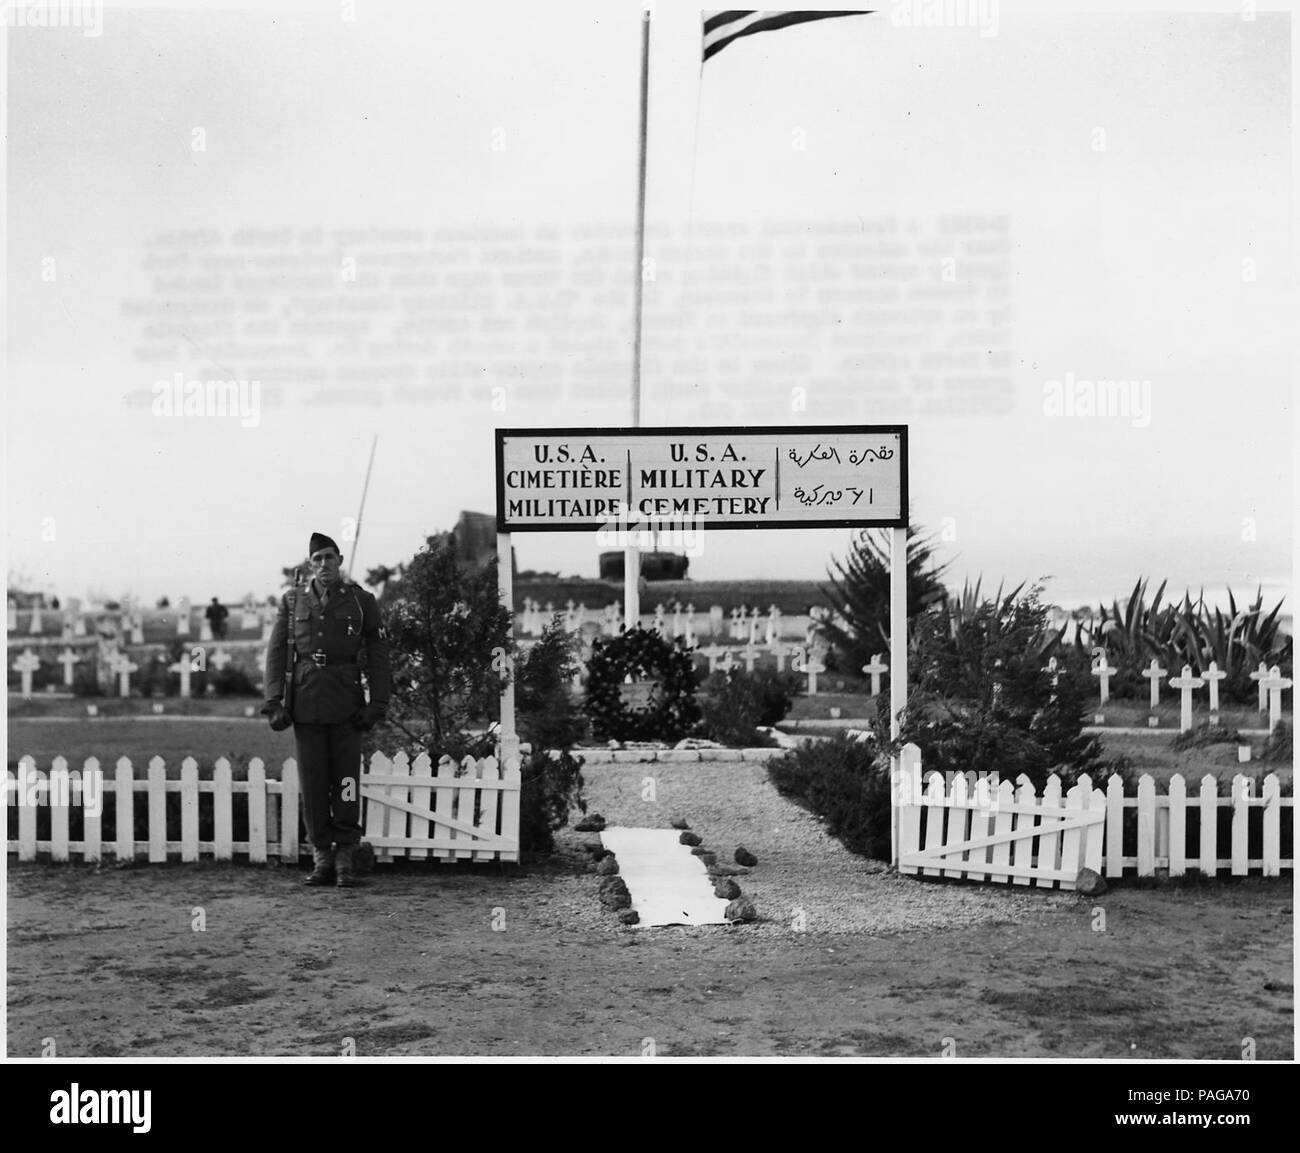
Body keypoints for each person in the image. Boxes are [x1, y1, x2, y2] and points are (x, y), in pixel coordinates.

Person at [261, 532, 391, 888]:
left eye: (329, 558)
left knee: (346, 782)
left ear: (340, 561)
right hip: (306, 705)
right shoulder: (293, 603)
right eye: (316, 559)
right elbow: (276, 653)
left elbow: (379, 654)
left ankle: (346, 855)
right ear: (309, 565)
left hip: (347, 705)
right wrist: (275, 702)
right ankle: (322, 857)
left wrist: (377, 703)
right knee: (314, 784)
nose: (323, 565)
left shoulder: (362, 602)